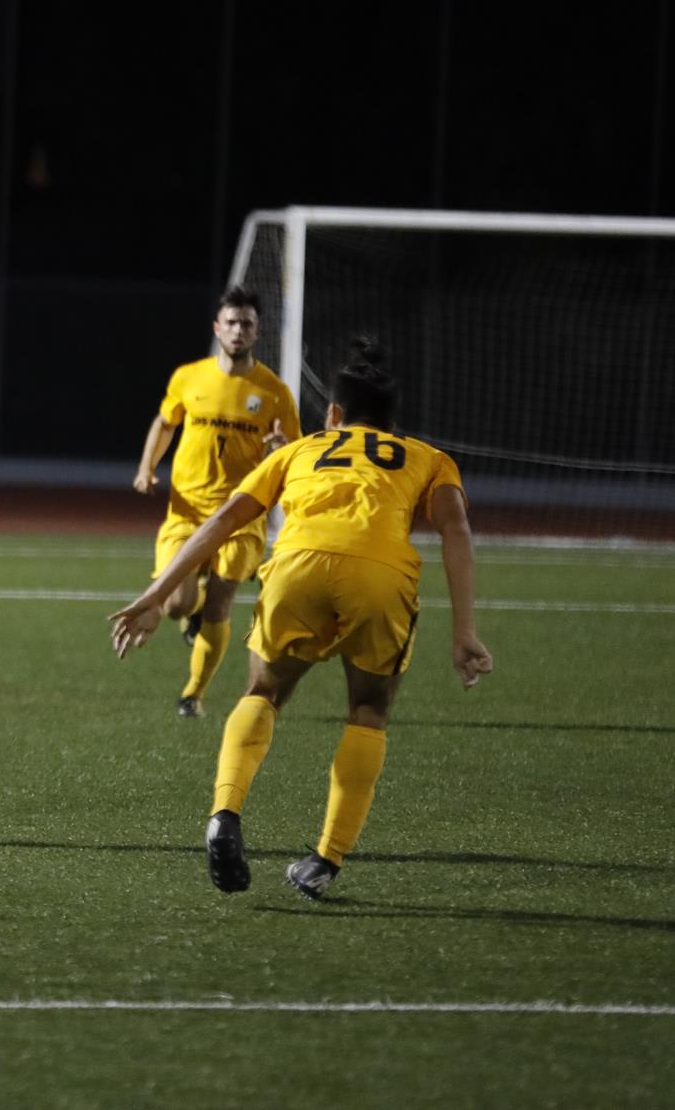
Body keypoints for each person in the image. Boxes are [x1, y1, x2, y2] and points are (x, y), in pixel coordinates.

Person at [109, 338, 493, 899]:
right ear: (394, 420)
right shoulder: (429, 458)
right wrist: (464, 630)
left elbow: (222, 519)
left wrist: (155, 593)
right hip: (379, 575)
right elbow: (455, 527)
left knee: (262, 692)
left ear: (333, 414)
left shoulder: (299, 451)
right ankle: (324, 860)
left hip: (297, 565)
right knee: (368, 709)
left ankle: (225, 812)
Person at [131, 285, 299, 718]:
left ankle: (192, 694)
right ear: (217, 328)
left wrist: (280, 448)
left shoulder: (275, 391)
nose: (238, 330)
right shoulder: (189, 377)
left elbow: (295, 456)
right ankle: (194, 609)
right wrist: (147, 467)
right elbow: (165, 423)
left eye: (247, 323)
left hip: (242, 515)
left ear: (257, 331)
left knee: (223, 600)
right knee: (174, 605)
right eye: (231, 322)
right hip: (187, 511)